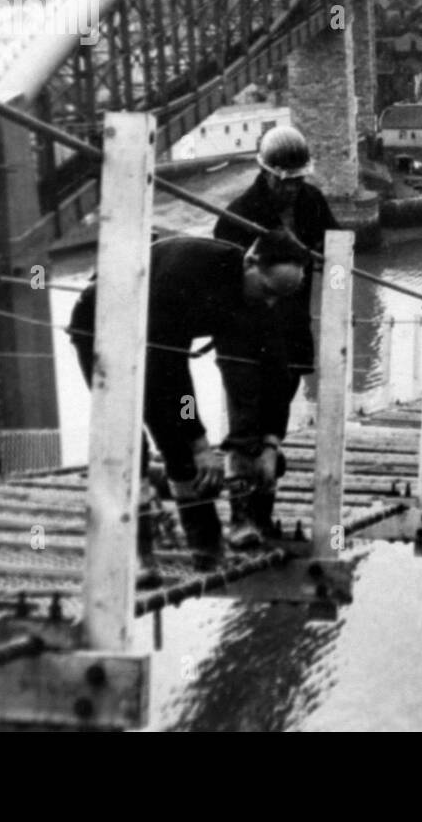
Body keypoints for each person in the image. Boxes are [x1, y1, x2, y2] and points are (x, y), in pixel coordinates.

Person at [68, 230, 310, 572]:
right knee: (134, 438)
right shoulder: (187, 274)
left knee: (176, 446)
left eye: (280, 298)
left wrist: (271, 443)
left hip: (154, 344)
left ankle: (206, 550)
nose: (271, 304)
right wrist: (199, 441)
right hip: (100, 328)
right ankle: (138, 554)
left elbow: (275, 372)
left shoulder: (257, 295)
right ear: (251, 262)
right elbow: (171, 375)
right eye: (268, 292)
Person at [214, 125, 339, 546]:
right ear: (266, 174)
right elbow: (225, 283)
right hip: (246, 337)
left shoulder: (312, 201)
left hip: (290, 331)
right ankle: (239, 519)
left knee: (274, 424)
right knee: (245, 420)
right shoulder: (238, 214)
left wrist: (316, 259)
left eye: (299, 180)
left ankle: (262, 518)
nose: (292, 189)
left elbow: (339, 249)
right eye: (285, 182)